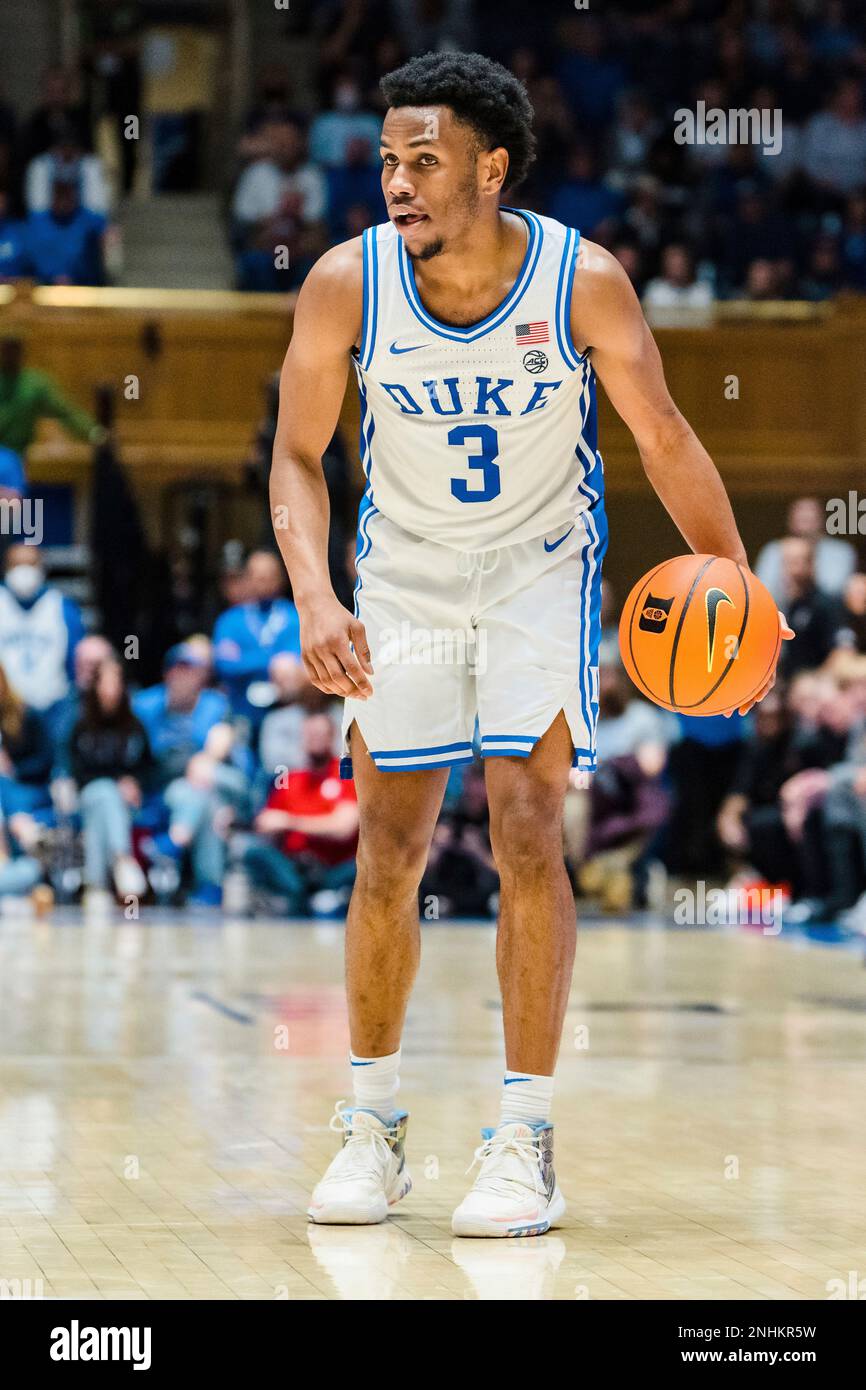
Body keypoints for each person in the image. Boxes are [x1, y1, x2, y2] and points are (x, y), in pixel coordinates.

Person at [269, 51, 789, 1237]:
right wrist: (313, 592)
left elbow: (659, 438)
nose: (396, 181)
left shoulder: (582, 281)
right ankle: (372, 1124)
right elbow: (296, 456)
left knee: (522, 822)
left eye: (423, 160)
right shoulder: (344, 286)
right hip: (397, 574)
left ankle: (523, 1138)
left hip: (539, 569)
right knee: (389, 845)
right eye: (387, 160)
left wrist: (741, 589)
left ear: (489, 168)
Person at [241, 712, 359, 916]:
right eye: (310, 734)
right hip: (295, 866)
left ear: (332, 737)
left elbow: (344, 828)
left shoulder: (345, 774)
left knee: (363, 866)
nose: (315, 740)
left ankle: (313, 898)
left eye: (320, 734)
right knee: (255, 853)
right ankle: (302, 896)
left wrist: (290, 822)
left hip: (335, 867)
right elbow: (269, 824)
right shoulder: (291, 780)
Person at [68, 656, 150, 908]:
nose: (111, 688)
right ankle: (122, 859)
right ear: (95, 686)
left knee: (103, 811)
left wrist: (135, 782)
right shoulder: (80, 727)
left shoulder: (135, 727)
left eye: (117, 682)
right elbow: (76, 772)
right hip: (88, 795)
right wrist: (117, 782)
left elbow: (148, 768)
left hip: (126, 804)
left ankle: (96, 886)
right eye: (106, 682)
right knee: (104, 793)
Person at [0, 544, 85, 746]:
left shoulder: (62, 606)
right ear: (5, 568)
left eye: (30, 564)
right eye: (17, 565)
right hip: (4, 711)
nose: (23, 571)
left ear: (41, 568)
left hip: (54, 710)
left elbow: (76, 666)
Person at [212, 549, 302, 726]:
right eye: (257, 575)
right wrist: (272, 662)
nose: (263, 581)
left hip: (284, 710)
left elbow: (297, 661)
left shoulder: (294, 616)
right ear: (246, 578)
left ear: (281, 578)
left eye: (269, 575)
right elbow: (225, 665)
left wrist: (246, 659)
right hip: (239, 709)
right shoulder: (230, 620)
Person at [0, 336, 102, 456]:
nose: (10, 353)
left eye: (14, 348)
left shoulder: (34, 384)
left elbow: (67, 413)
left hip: (17, 456)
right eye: (6, 348)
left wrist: (95, 433)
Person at [755, 496, 857, 602]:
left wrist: (806, 580)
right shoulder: (774, 550)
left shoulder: (841, 551)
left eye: (810, 518)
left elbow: (839, 591)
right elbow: (761, 592)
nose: (806, 525)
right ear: (790, 521)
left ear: (822, 520)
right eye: (802, 519)